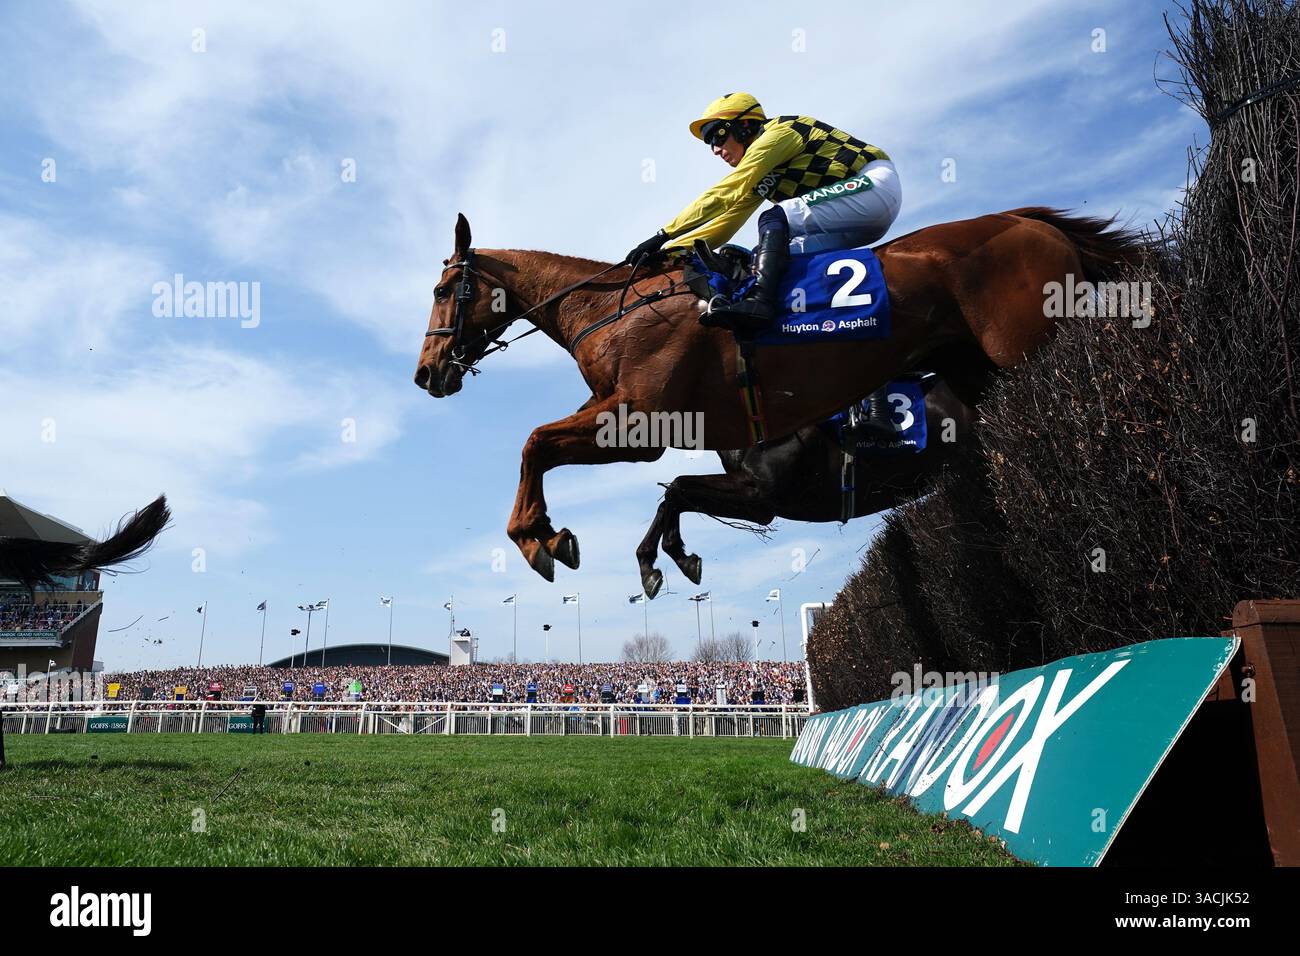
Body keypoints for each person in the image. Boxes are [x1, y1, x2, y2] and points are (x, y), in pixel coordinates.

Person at [625, 92, 902, 333]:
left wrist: (663, 234)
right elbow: (727, 222)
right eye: (708, 141)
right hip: (851, 221)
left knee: (774, 217)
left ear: (745, 126)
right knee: (765, 259)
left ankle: (760, 303)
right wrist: (671, 251)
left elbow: (725, 192)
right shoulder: (760, 173)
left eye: (716, 134)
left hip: (874, 185)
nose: (714, 149)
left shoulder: (778, 134)